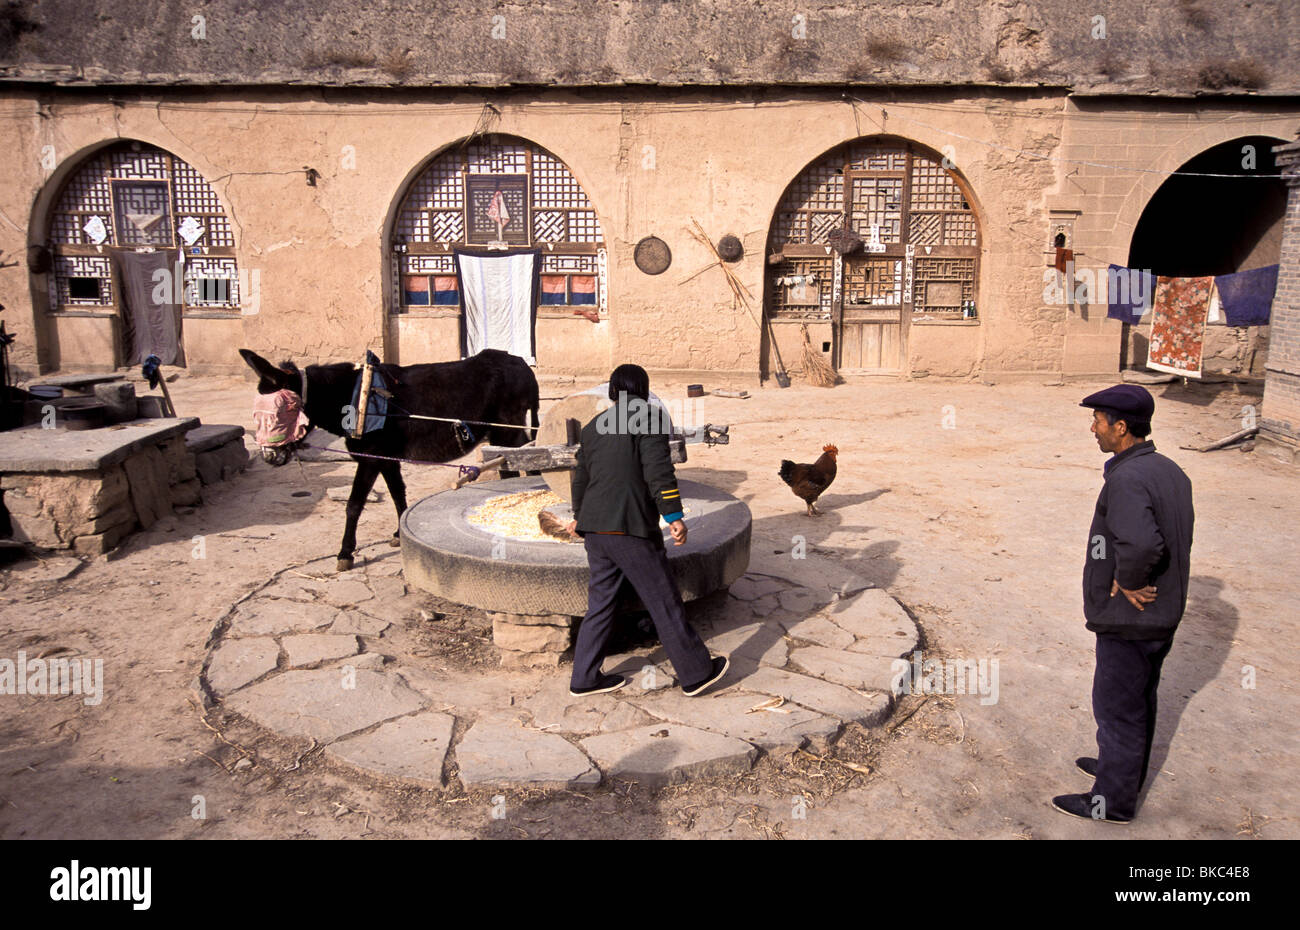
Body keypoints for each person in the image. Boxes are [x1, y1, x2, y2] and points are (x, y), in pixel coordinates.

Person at [1052, 384, 1194, 824]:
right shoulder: (1167, 469)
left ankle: (1111, 801)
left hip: (1132, 618)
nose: (1092, 429)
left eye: (1098, 421)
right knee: (1139, 699)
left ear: (1121, 427)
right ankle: (1120, 770)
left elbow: (1141, 543)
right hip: (1161, 615)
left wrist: (1128, 580)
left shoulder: (1129, 479)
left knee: (1117, 707)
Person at [565, 364, 729, 698]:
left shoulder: (595, 426)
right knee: (663, 601)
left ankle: (584, 677)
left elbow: (581, 477)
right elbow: (658, 469)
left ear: (612, 391)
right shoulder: (649, 416)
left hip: (596, 532)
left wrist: (579, 519)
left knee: (600, 604)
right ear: (643, 388)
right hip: (630, 529)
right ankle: (697, 673)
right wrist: (673, 515)